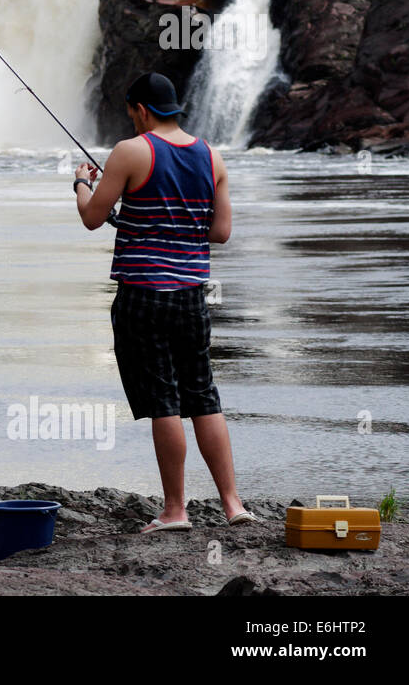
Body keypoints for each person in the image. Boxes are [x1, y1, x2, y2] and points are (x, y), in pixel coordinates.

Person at [73, 72, 257, 533]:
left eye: (131, 111)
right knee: (203, 395)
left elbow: (94, 218)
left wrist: (80, 184)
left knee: (164, 402)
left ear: (140, 109)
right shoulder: (212, 155)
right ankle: (233, 505)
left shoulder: (131, 151)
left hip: (143, 298)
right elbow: (220, 232)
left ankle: (176, 511)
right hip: (192, 297)